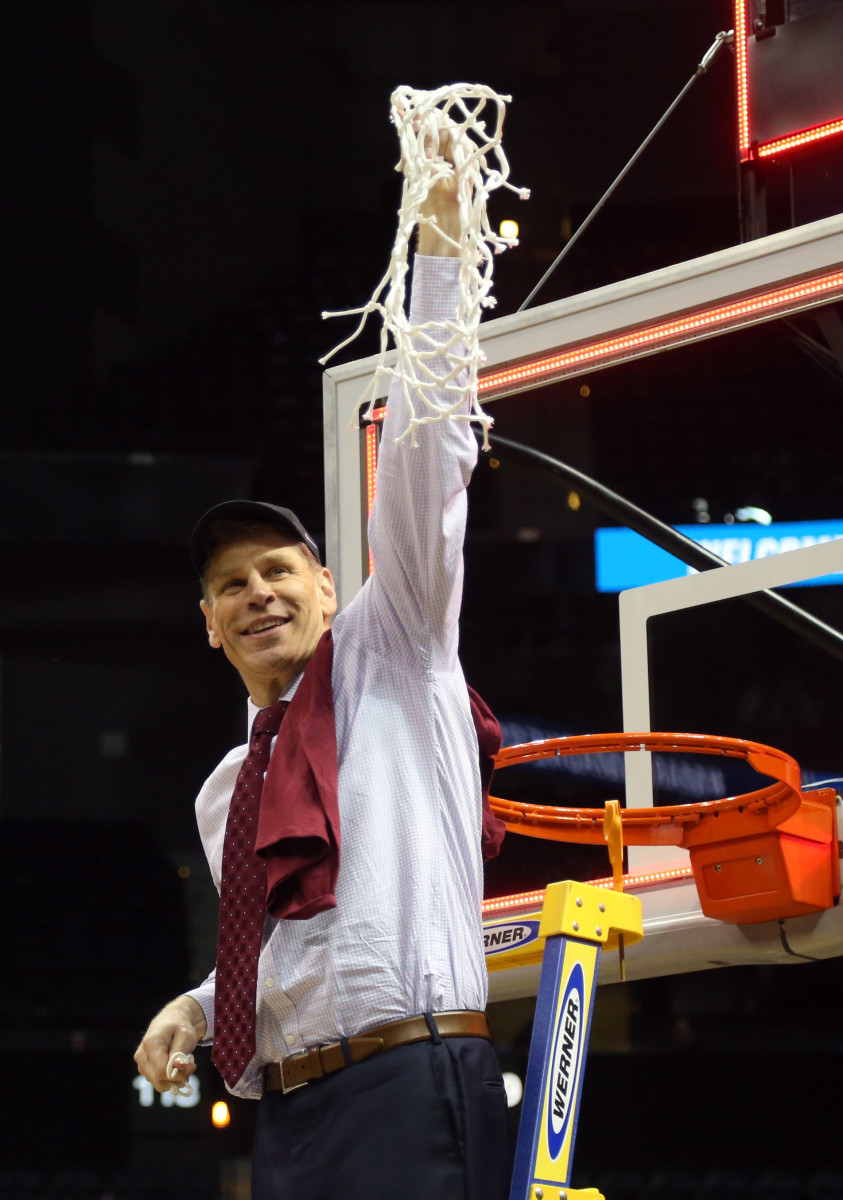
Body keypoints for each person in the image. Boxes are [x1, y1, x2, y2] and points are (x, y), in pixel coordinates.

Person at [134, 128, 511, 1200]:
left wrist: (439, 246)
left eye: (279, 570)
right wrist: (196, 1008)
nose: (257, 592)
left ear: (333, 587)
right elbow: (292, 958)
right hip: (292, 1116)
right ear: (209, 624)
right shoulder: (226, 790)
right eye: (231, 585)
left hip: (411, 1078)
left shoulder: (396, 653)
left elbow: (429, 456)